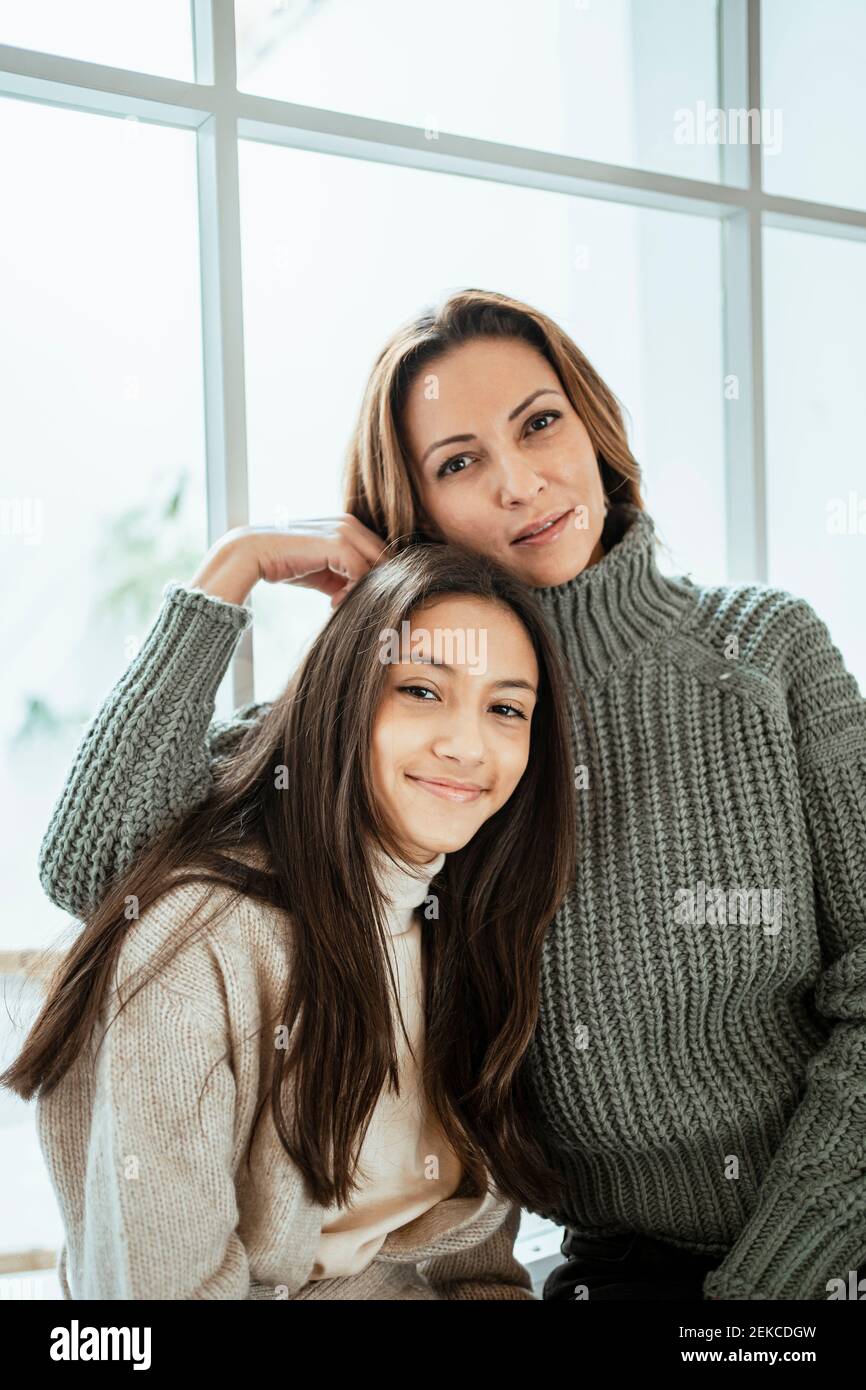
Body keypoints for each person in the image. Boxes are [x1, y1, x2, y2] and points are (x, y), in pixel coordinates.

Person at [30, 288, 866, 1300]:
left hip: (822, 1256)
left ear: (593, 429)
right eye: (459, 462)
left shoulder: (765, 650)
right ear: (416, 510)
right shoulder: (420, 726)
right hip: (608, 1272)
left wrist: (760, 1302)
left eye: (539, 423)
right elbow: (99, 866)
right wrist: (229, 575)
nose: (520, 483)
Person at [3, 543, 578, 1299]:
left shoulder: (469, 921)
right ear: (344, 701)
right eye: (421, 691)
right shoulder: (198, 941)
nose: (466, 746)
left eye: (506, 709)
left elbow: (474, 1264)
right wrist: (237, 566)